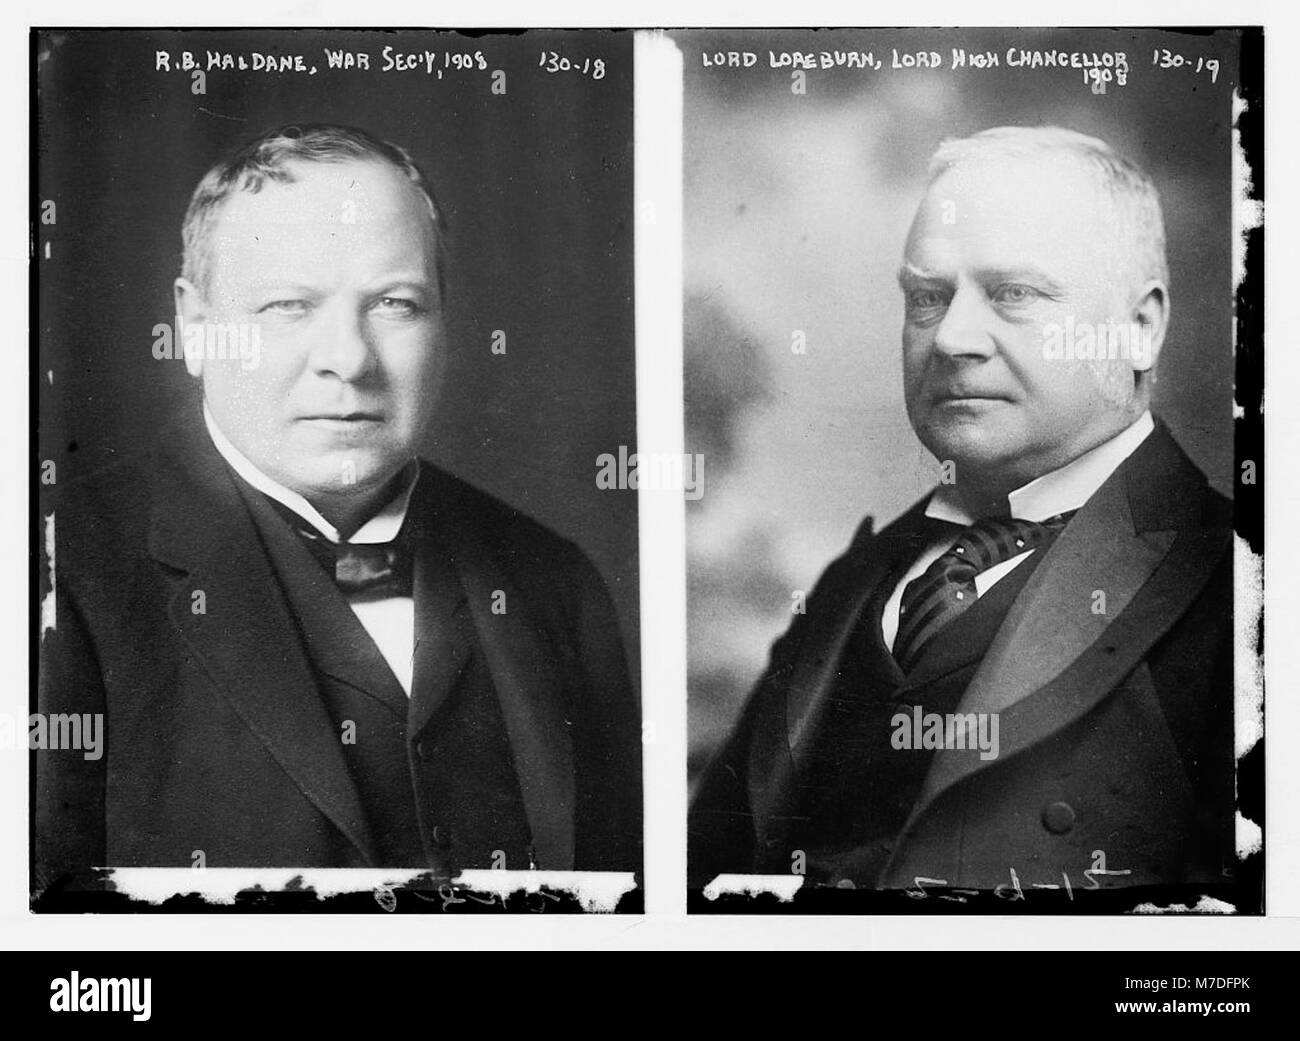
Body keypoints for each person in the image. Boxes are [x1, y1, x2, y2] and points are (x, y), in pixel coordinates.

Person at [35, 123, 641, 895]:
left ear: (445, 320)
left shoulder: (556, 579)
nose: (348, 359)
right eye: (289, 306)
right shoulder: (51, 575)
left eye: (395, 303)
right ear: (194, 326)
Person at [689, 126, 1234, 895]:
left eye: (1013, 293)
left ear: (1139, 327)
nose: (951, 337)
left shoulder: (1246, 588)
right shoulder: (854, 582)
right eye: (926, 297)